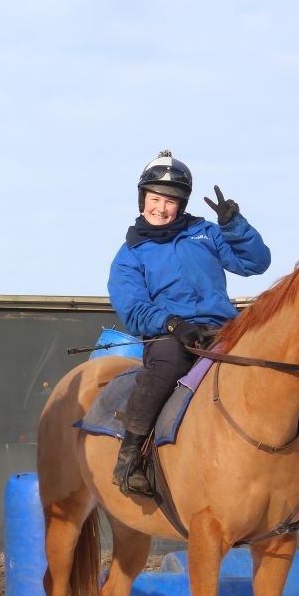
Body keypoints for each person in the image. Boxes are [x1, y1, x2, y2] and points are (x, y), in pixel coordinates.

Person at [106, 149, 272, 497]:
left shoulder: (206, 233)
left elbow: (255, 263)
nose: (161, 208)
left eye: (170, 201)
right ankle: (130, 457)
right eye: (155, 199)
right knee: (167, 365)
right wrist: (172, 325)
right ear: (142, 199)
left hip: (222, 330)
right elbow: (133, 308)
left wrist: (234, 226)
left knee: (269, 362)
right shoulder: (130, 255)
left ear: (181, 205)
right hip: (169, 335)